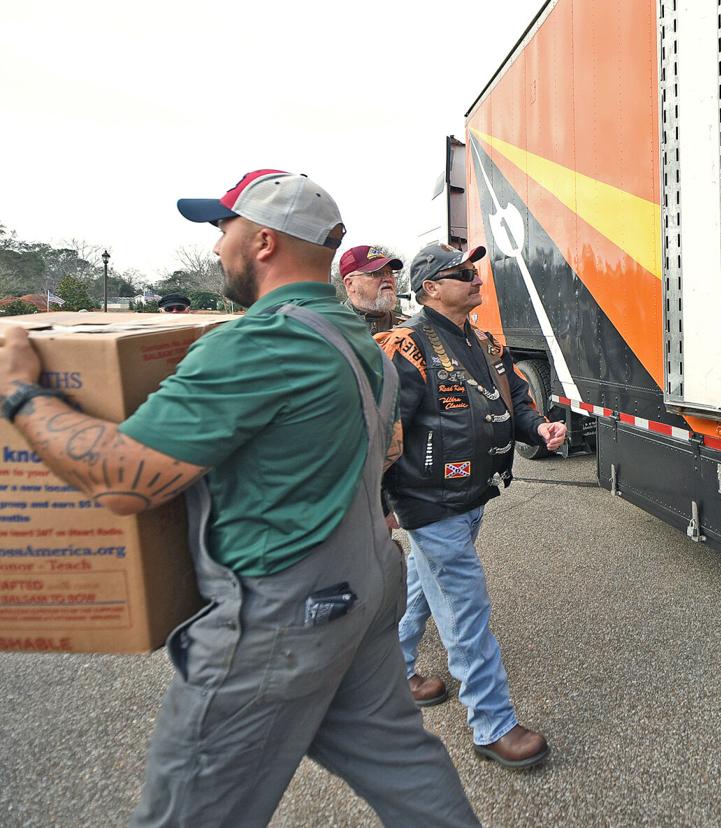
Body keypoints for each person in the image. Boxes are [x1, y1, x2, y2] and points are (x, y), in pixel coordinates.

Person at [0, 169, 477, 827]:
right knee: (402, 763)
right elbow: (386, 447)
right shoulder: (350, 335)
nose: (217, 243)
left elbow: (122, 480)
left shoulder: (260, 344)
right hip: (362, 586)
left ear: (261, 241)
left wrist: (22, 394)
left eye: (222, 227)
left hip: (280, 620)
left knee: (188, 809)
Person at [376, 242, 567, 769]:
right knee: (464, 611)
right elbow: (384, 433)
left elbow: (517, 403)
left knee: (422, 585)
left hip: (472, 496)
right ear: (430, 288)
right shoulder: (403, 347)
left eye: (474, 268)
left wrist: (539, 429)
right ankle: (492, 724)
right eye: (461, 272)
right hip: (429, 504)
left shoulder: (485, 341)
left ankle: (394, 668)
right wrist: (382, 504)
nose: (475, 277)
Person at [340, 244, 405, 335]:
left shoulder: (408, 327)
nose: (388, 279)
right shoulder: (329, 328)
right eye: (376, 273)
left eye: (390, 273)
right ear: (350, 284)